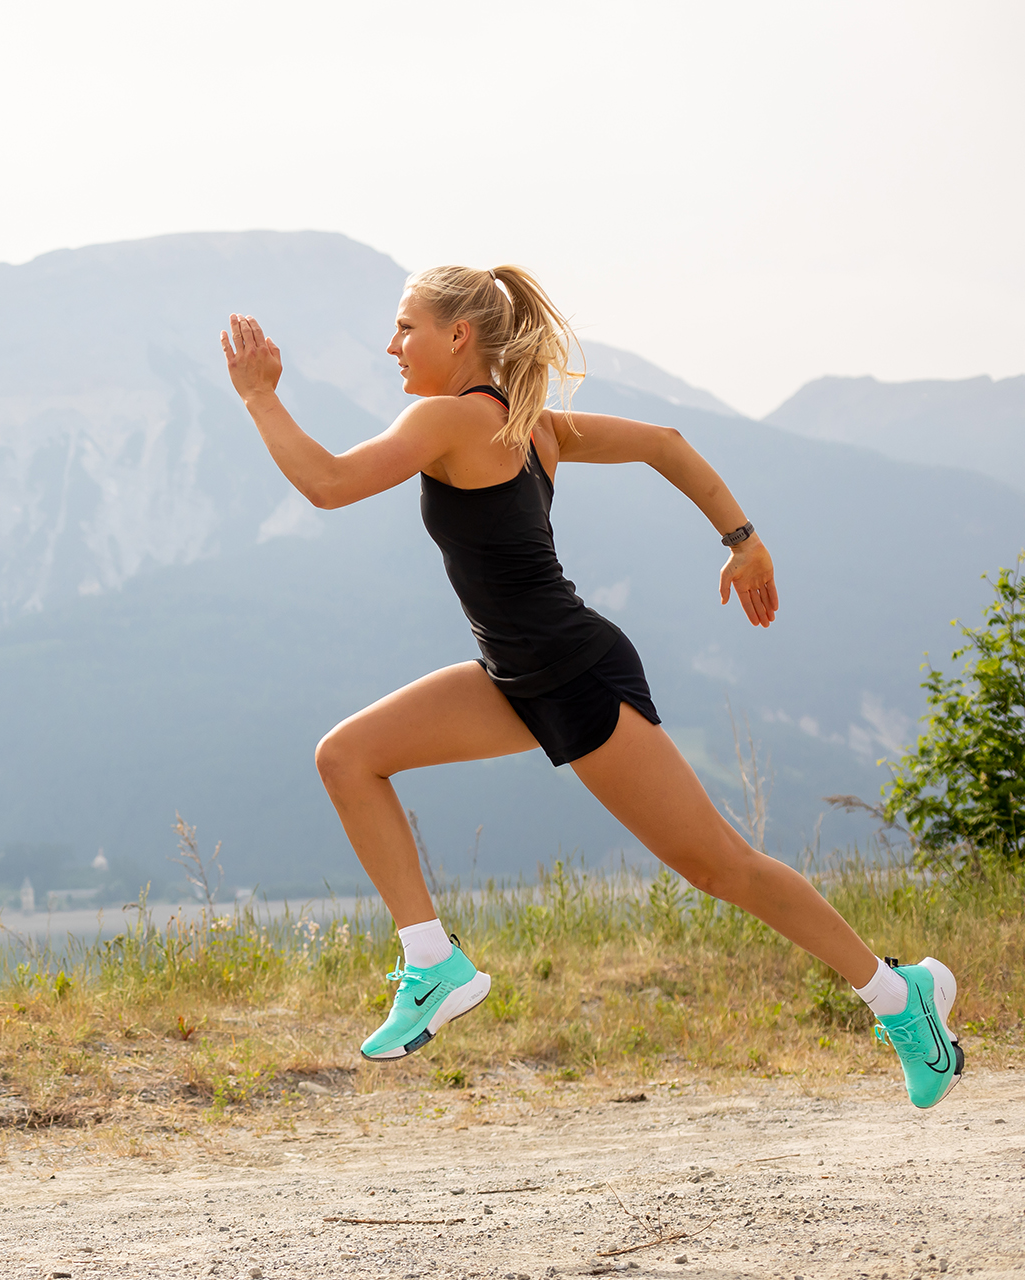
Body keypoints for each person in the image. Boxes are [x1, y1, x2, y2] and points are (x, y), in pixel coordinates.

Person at [219, 265, 961, 1110]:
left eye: (406, 327)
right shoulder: (531, 425)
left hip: (574, 676)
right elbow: (666, 444)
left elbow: (328, 483)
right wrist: (741, 538)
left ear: (459, 336)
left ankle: (902, 1002)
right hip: (513, 675)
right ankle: (431, 960)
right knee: (347, 756)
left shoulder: (452, 417)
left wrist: (258, 396)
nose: (392, 346)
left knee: (723, 867)